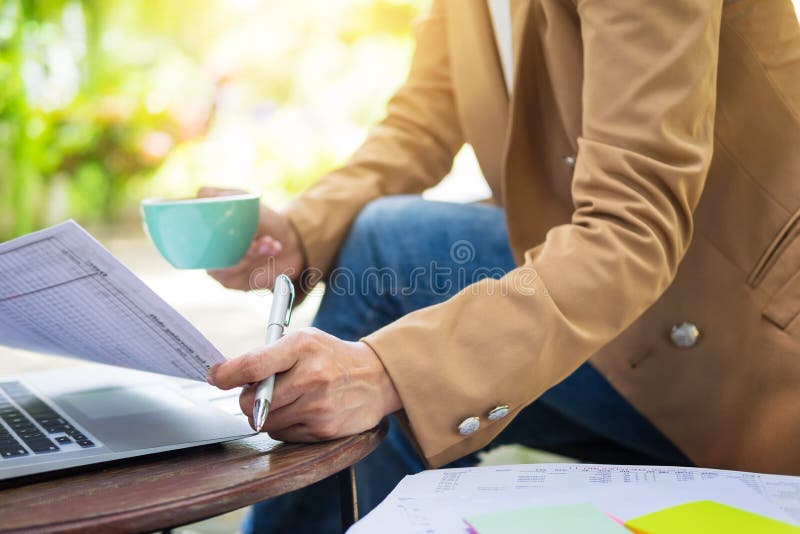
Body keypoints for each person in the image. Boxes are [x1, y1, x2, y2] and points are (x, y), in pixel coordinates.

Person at [203, 0, 800, 530]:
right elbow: (427, 113)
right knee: (386, 273)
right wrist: (304, 232)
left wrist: (389, 370)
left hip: (747, 354)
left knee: (391, 264)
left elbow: (631, 227)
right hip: (617, 309)